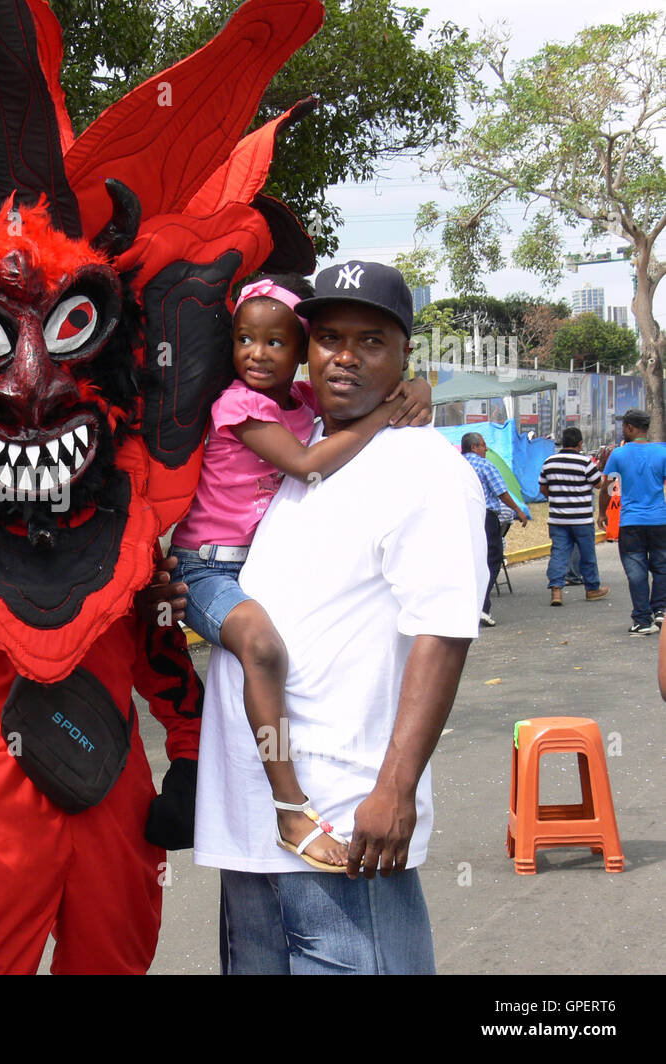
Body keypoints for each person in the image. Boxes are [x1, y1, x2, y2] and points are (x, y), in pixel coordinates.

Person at [190, 260, 488, 975]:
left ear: (405, 356)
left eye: (370, 342)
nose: (344, 357)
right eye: (327, 338)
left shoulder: (425, 470)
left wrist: (395, 789)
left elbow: (442, 632)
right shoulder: (299, 456)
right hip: (252, 824)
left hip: (345, 819)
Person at [168, 273, 431, 870]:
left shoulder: (306, 402)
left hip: (248, 567)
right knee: (262, 649)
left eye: (276, 344)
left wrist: (415, 386)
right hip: (207, 569)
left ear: (303, 352)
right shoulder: (240, 404)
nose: (256, 355)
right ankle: (290, 808)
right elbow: (310, 464)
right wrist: (388, 411)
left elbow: (351, 410)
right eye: (243, 340)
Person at [598, 408, 666, 635]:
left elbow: (608, 488)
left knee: (636, 572)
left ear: (629, 427)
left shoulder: (619, 455)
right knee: (662, 568)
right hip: (659, 521)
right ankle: (660, 611)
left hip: (631, 523)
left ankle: (642, 620)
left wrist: (602, 513)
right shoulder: (662, 452)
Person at [461, 432, 529, 627]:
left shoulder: (454, 464)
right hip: (485, 516)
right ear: (474, 447)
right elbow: (501, 492)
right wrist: (518, 510)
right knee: (492, 557)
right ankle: (482, 605)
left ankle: (465, 606)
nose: (485, 449)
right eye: (483, 446)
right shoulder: (485, 465)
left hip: (460, 517)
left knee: (467, 560)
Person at [539, 427, 607, 606]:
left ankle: (556, 591)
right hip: (582, 519)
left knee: (559, 554)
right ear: (579, 443)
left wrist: (557, 498)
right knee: (587, 554)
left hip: (558, 519)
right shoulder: (585, 462)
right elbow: (599, 485)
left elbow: (543, 489)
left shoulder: (549, 462)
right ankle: (592, 588)